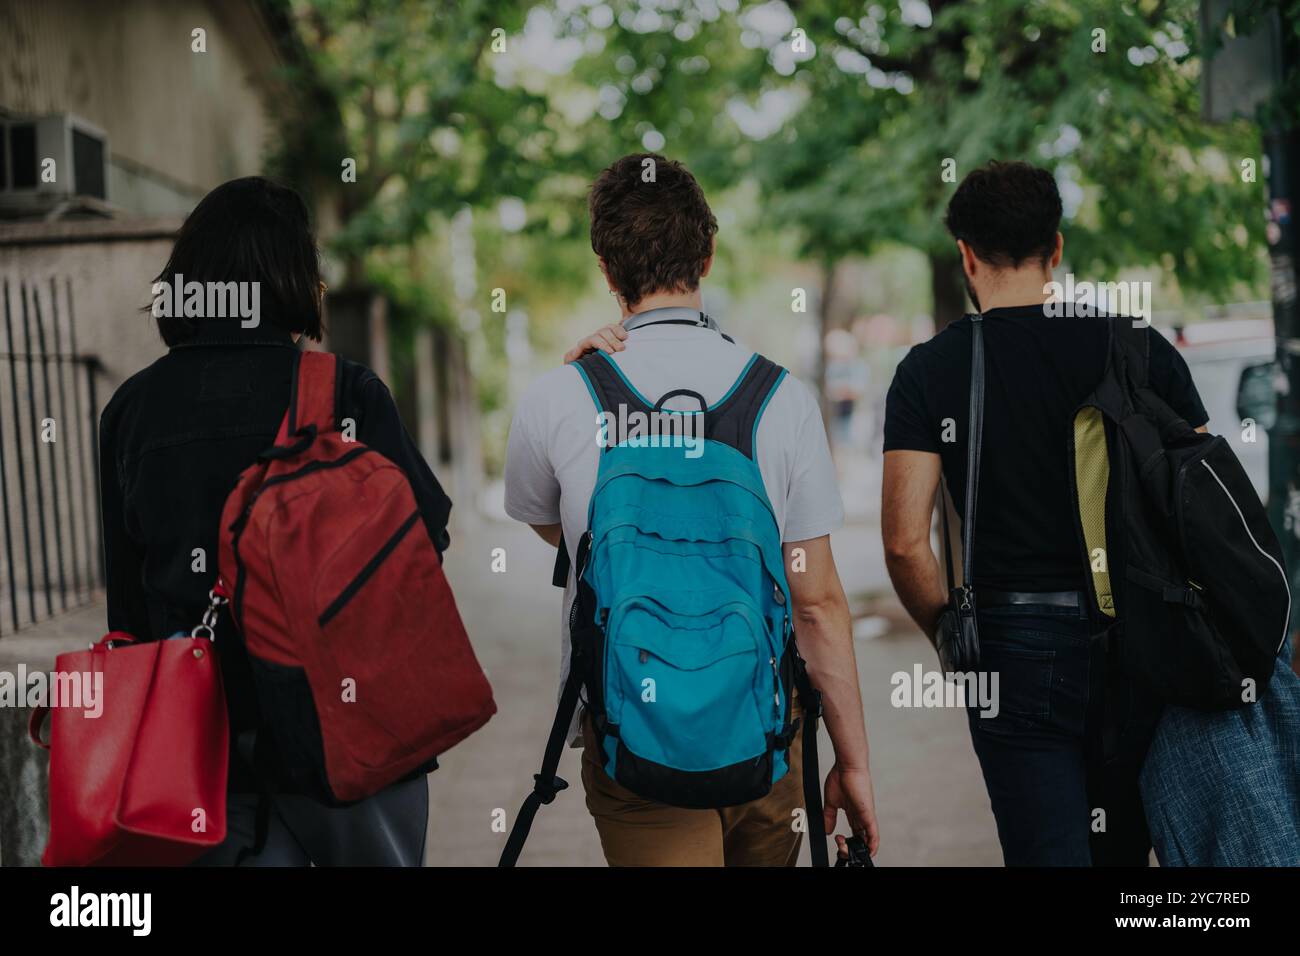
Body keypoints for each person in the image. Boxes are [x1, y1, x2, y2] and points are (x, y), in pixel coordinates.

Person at [504, 153, 880, 866]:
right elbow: (819, 602)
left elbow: (565, 534)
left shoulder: (558, 399)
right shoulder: (782, 399)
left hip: (634, 735)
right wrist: (853, 761)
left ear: (606, 269)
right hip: (766, 733)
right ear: (707, 257)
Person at [99, 176, 452, 866]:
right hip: (354, 746)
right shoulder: (345, 391)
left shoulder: (131, 413)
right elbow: (424, 549)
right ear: (293, 275)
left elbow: (128, 609)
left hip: (203, 759)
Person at [880, 161, 1209, 866]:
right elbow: (1204, 505)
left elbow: (907, 542)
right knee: (1123, 853)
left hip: (1010, 645)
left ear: (965, 255)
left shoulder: (931, 370)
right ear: (1055, 247)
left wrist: (949, 631)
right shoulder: (1140, 349)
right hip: (1137, 638)